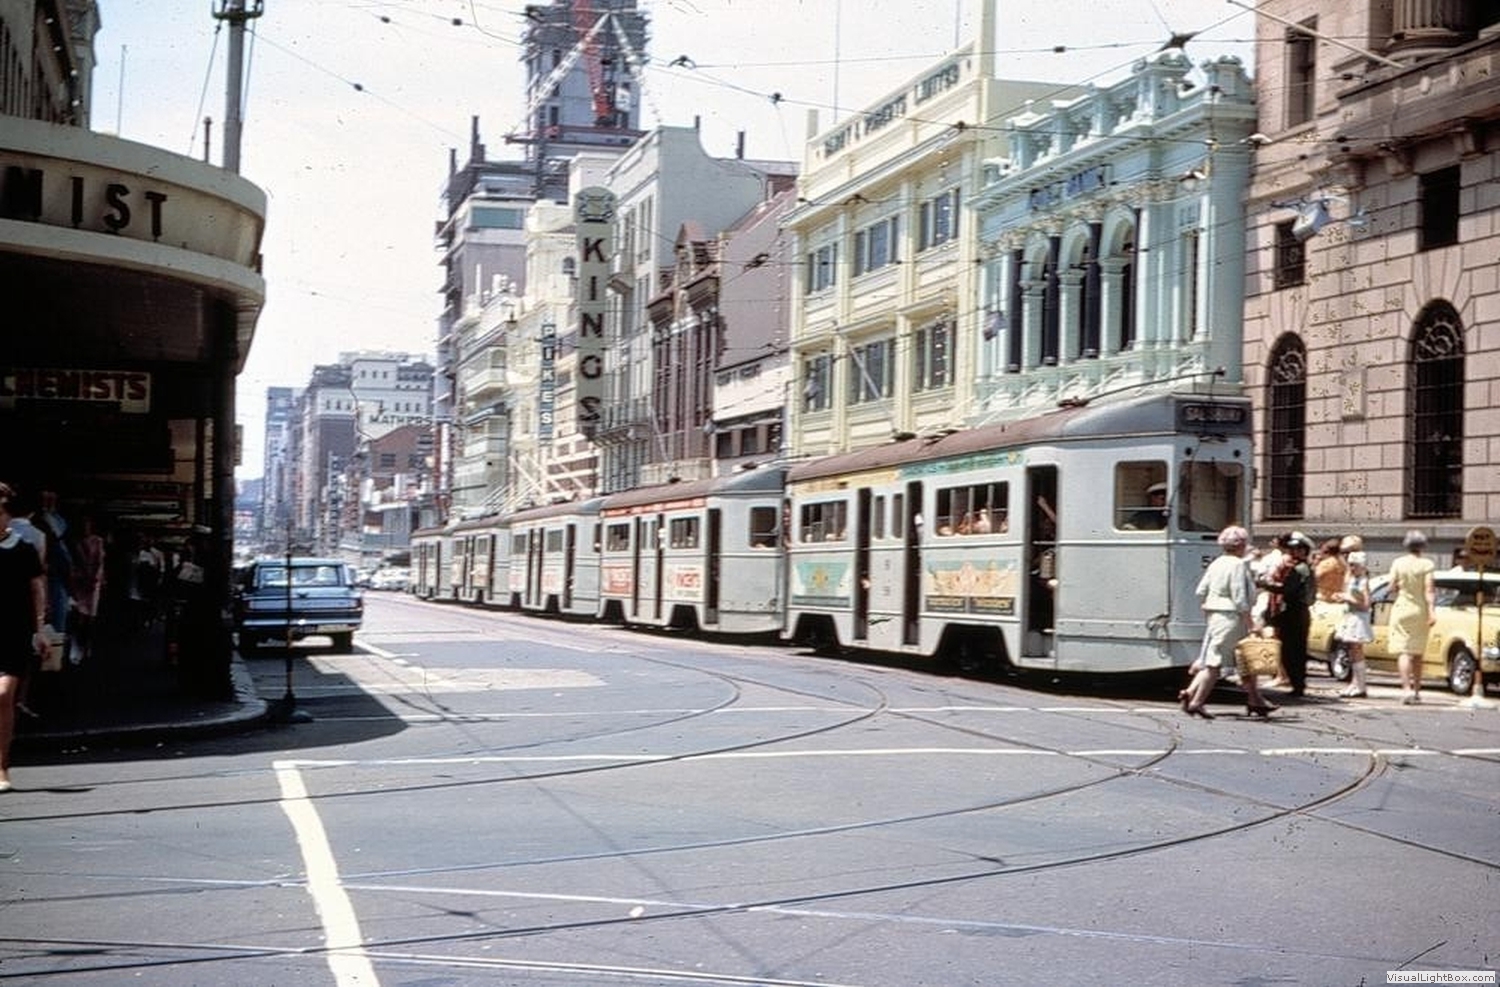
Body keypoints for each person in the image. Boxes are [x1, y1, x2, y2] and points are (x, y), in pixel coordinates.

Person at [1181, 525, 1273, 718]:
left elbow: (1201, 590)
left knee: (1241, 660)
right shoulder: (1237, 565)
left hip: (1215, 616)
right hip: (1232, 617)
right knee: (1217, 664)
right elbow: (1240, 598)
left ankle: (1255, 700)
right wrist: (1250, 623)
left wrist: (1209, 609)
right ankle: (1197, 702)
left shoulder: (1217, 563)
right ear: (1241, 545)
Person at [0, 485, 49, 793]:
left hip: (11, 632)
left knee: (3, 695)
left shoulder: (22, 549)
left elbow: (37, 590)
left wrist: (40, 630)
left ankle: (1, 765)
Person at [1261, 531, 1314, 697]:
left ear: (1305, 551)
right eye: (1293, 549)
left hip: (1295, 612)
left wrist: (1265, 585)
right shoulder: (1301, 567)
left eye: (1299, 549)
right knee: (1293, 650)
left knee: (1293, 650)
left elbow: (1287, 589)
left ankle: (1298, 685)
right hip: (1296, 611)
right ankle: (1297, 683)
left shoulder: (1300, 569)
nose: (1294, 552)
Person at [1387, 529, 1437, 705]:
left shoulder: (1398, 563)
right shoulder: (1427, 564)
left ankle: (1406, 688)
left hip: (1402, 608)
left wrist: (1398, 586)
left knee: (1404, 651)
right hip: (1420, 609)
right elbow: (1429, 589)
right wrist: (1432, 611)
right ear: (1422, 546)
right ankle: (1417, 690)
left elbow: (1391, 586)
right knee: (1417, 653)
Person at [1337, 551, 1374, 698]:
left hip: (1359, 617)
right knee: (1352, 651)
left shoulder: (1364, 581)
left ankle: (1361, 685)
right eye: (1350, 565)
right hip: (1351, 615)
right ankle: (1354, 683)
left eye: (1354, 565)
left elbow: (1365, 604)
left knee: (1357, 650)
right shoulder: (1353, 579)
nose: (1351, 568)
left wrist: (1348, 598)